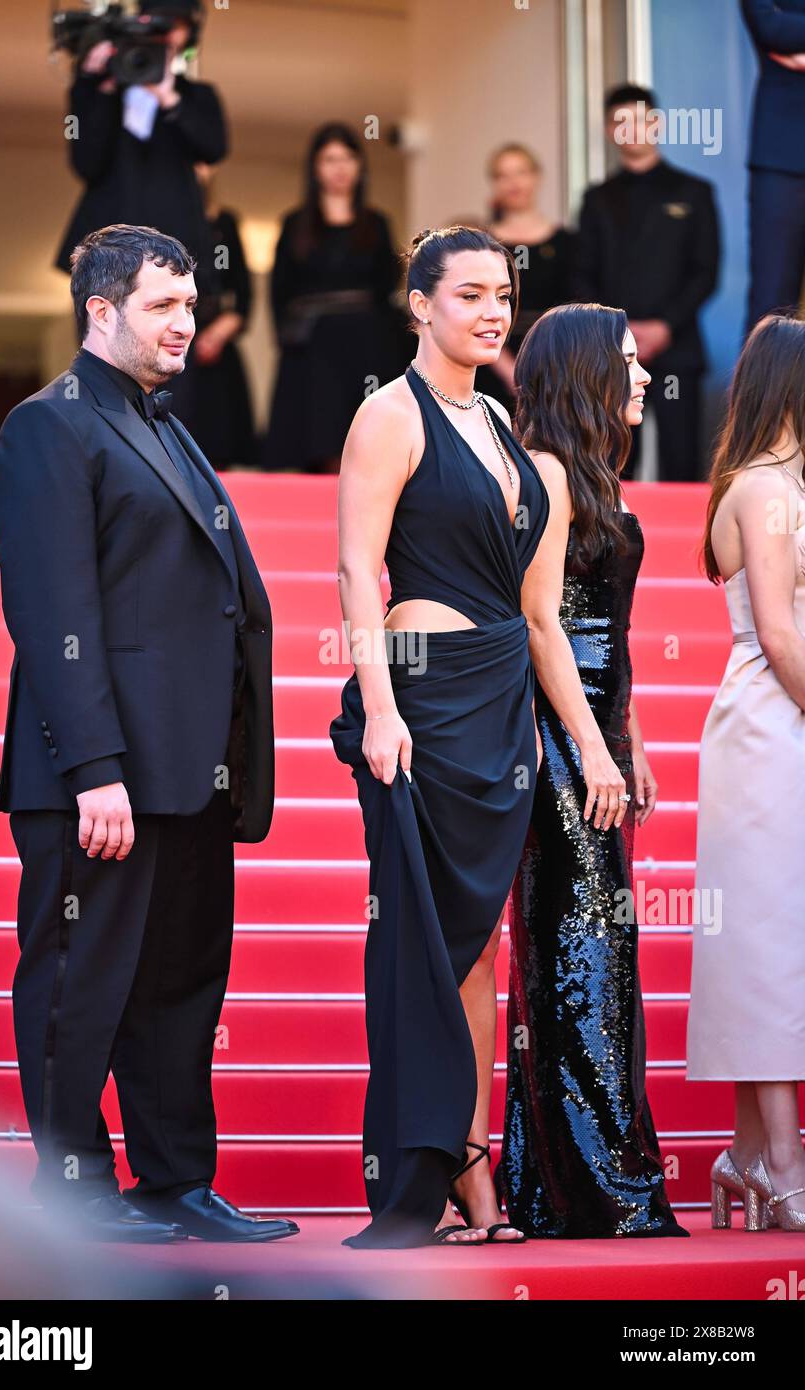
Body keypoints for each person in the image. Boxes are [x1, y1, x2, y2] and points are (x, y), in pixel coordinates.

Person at [0, 223, 298, 1245]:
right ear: (101, 310)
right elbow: (52, 613)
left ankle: (174, 1182)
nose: (187, 322)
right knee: (82, 982)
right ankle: (71, 1192)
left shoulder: (166, 424)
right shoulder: (50, 425)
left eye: (190, 304)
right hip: (103, 777)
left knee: (178, 990)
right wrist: (96, 771)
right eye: (163, 305)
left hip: (190, 772)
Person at [329, 225, 549, 1247]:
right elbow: (354, 572)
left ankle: (472, 1165)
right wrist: (378, 707)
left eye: (501, 294)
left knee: (477, 952)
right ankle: (441, 1172)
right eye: (469, 294)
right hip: (424, 702)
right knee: (428, 945)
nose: (492, 311)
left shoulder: (499, 418)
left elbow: (533, 596)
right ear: (421, 304)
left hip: (499, 697)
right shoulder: (388, 413)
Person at [497, 303, 688, 1239]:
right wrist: (592, 745)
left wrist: (635, 739)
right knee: (581, 957)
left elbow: (613, 629)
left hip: (597, 736)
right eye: (625, 360)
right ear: (584, 372)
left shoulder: (596, 477)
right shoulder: (541, 475)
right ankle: (601, 1190)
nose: (644, 373)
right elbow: (542, 625)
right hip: (553, 739)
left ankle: (561, 1187)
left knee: (604, 958)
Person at [688, 313, 805, 1233]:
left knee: (776, 934)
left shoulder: (775, 484)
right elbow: (775, 631)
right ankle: (781, 1159)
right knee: (767, 940)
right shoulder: (765, 489)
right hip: (773, 717)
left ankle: (744, 1157)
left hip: (779, 714)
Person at [573, 85, 720, 482]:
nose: (631, 130)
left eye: (640, 120)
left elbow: (706, 271)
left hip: (677, 351)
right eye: (621, 122)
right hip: (611, 355)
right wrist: (620, 331)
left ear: (657, 124)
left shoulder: (694, 192)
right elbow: (582, 273)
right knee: (612, 468)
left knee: (683, 464)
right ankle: (613, 546)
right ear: (608, 130)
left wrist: (663, 325)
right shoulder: (596, 200)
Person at [55, 1, 226, 293]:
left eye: (174, 26)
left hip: (178, 239)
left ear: (188, 34)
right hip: (107, 247)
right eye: (156, 25)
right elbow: (86, 164)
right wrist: (99, 85)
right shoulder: (95, 91)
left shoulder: (197, 95)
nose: (163, 36)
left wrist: (169, 99)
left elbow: (214, 148)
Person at [263, 123, 402, 473]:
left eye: (348, 158)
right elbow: (279, 292)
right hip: (312, 349)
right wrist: (287, 344)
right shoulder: (295, 224)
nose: (340, 167)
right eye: (329, 159)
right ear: (315, 167)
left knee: (366, 440)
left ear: (360, 166)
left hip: (366, 345)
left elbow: (388, 286)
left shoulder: (377, 223)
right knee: (317, 437)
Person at [168, 162, 256, 468]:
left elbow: (243, 294)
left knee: (219, 438)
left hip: (216, 341)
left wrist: (219, 333)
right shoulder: (160, 222)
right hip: (172, 336)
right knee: (175, 436)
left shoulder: (225, 223)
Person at [476, 143, 575, 411]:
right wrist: (508, 368)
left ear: (537, 176)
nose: (513, 182)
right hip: (493, 361)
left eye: (520, 172)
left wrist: (552, 367)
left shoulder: (567, 242)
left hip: (557, 363)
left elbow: (574, 309)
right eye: (502, 175)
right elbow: (476, 308)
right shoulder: (481, 244)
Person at [741, 0, 805, 329]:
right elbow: (770, 26)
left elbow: (785, 28)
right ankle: (761, 383)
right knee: (772, 299)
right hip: (781, 154)